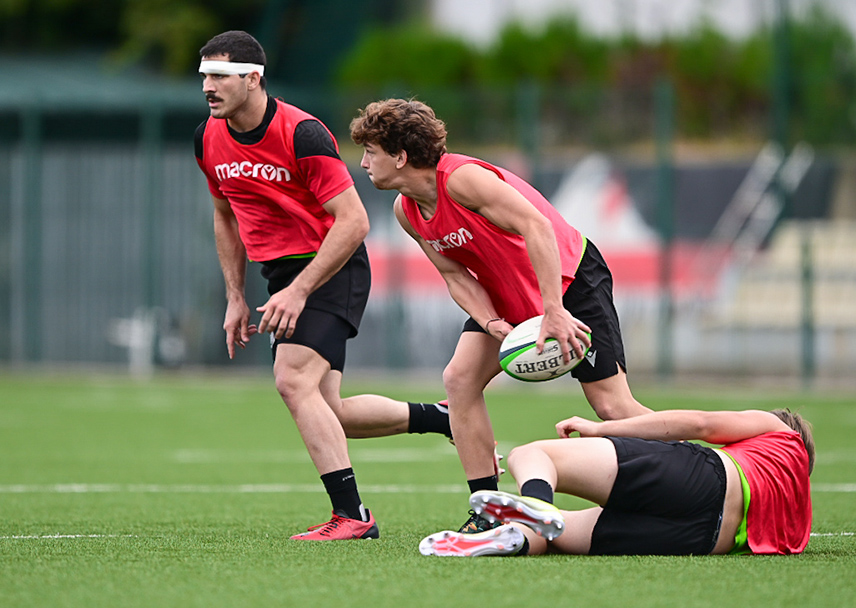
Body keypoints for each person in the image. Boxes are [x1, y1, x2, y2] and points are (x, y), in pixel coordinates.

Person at [194, 31, 452, 541]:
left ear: (253, 77)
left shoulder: (302, 133)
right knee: (331, 411)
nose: (208, 86)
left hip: (331, 265)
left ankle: (353, 516)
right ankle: (440, 418)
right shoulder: (207, 136)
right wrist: (235, 295)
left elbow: (354, 222)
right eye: (204, 75)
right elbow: (224, 215)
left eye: (220, 75)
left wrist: (299, 290)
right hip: (280, 274)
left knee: (292, 380)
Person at [349, 98, 651, 533]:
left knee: (610, 404)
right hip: (503, 297)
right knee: (459, 380)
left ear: (400, 156)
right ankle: (487, 509)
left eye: (371, 152)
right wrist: (489, 321)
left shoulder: (462, 180)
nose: (363, 163)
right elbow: (454, 274)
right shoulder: (406, 210)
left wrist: (554, 310)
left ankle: (705, 467)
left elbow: (538, 227)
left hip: (569, 281)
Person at [419, 407, 814, 557]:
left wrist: (602, 428)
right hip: (705, 541)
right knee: (559, 535)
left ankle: (536, 504)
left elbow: (701, 425)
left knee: (533, 455)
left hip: (708, 480)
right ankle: (516, 537)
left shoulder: (780, 430)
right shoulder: (799, 516)